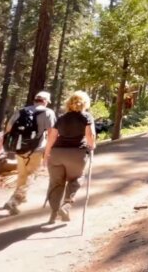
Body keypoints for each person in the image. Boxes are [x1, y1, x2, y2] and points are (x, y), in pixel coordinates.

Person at [0, 91, 56, 215]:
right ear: (46, 101)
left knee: (22, 174)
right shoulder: (48, 113)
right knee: (31, 176)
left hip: (20, 150)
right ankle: (14, 201)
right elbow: (52, 134)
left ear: (35, 100)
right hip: (36, 151)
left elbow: (6, 132)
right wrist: (48, 152)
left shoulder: (21, 111)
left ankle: (20, 196)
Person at [44, 90, 96, 224]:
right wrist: (92, 146)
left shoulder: (61, 118)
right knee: (77, 178)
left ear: (69, 103)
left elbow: (51, 137)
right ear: (85, 103)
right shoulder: (86, 117)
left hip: (56, 153)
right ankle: (66, 205)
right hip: (76, 153)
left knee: (56, 183)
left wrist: (46, 154)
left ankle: (53, 213)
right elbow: (90, 135)